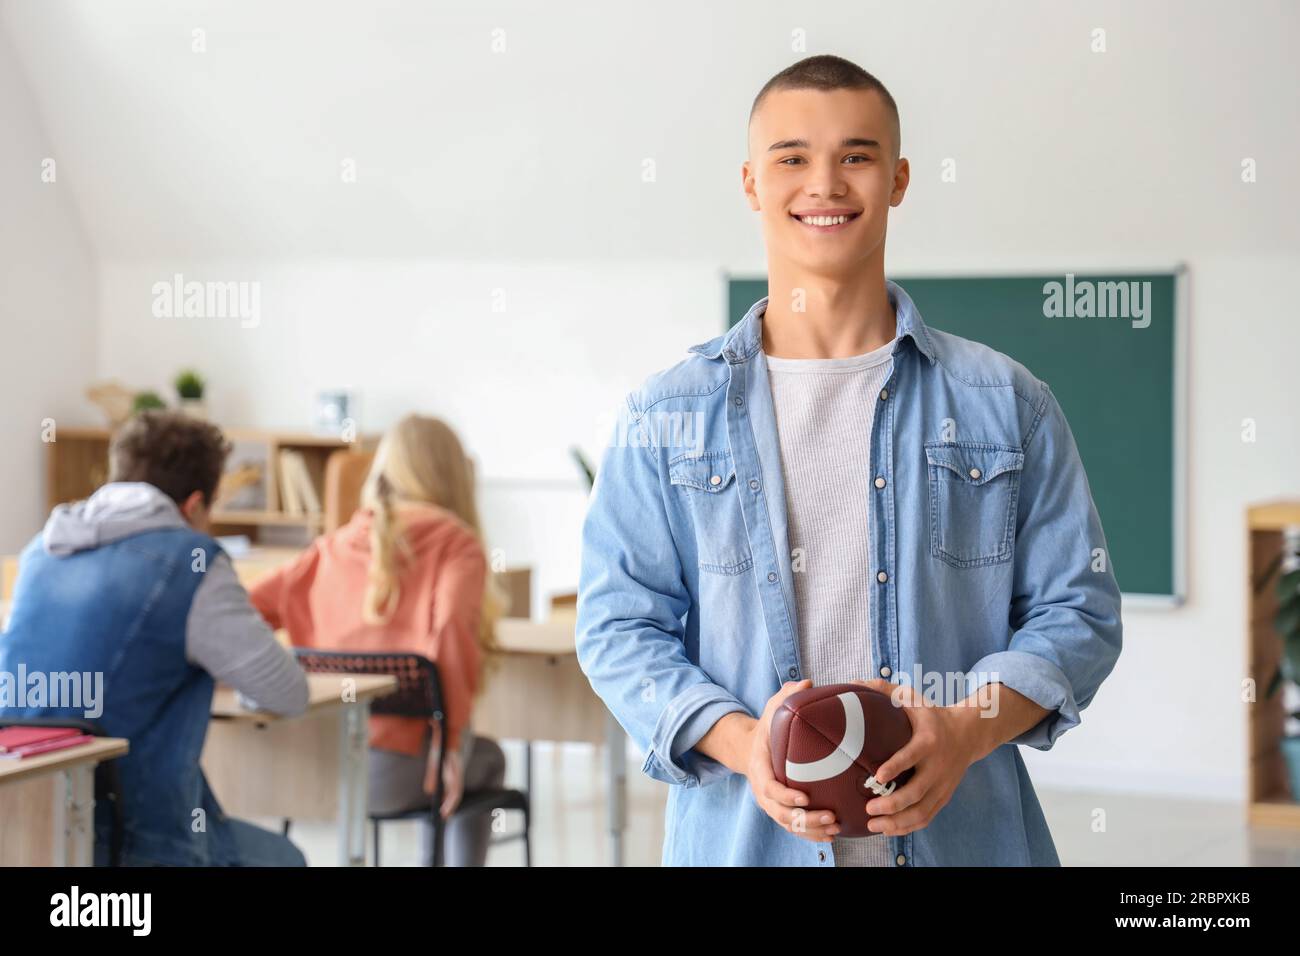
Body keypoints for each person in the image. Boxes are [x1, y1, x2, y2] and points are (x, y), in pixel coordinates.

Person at [575, 54, 1123, 866]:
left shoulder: (1008, 402)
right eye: (792, 158)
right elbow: (619, 626)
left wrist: (964, 728)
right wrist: (741, 744)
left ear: (898, 179)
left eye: (856, 157)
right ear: (751, 183)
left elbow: (1078, 610)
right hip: (741, 845)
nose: (824, 184)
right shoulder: (667, 415)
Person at [0, 411, 310, 866]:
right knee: (284, 859)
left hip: (26, 830)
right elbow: (288, 693)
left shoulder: (39, 553)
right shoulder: (192, 563)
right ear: (194, 505)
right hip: (138, 838)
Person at [249, 414, 507, 867]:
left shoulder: (330, 547)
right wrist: (448, 747)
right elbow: (449, 630)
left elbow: (242, 613)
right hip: (392, 775)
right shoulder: (456, 544)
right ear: (453, 476)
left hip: (313, 767)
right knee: (489, 760)